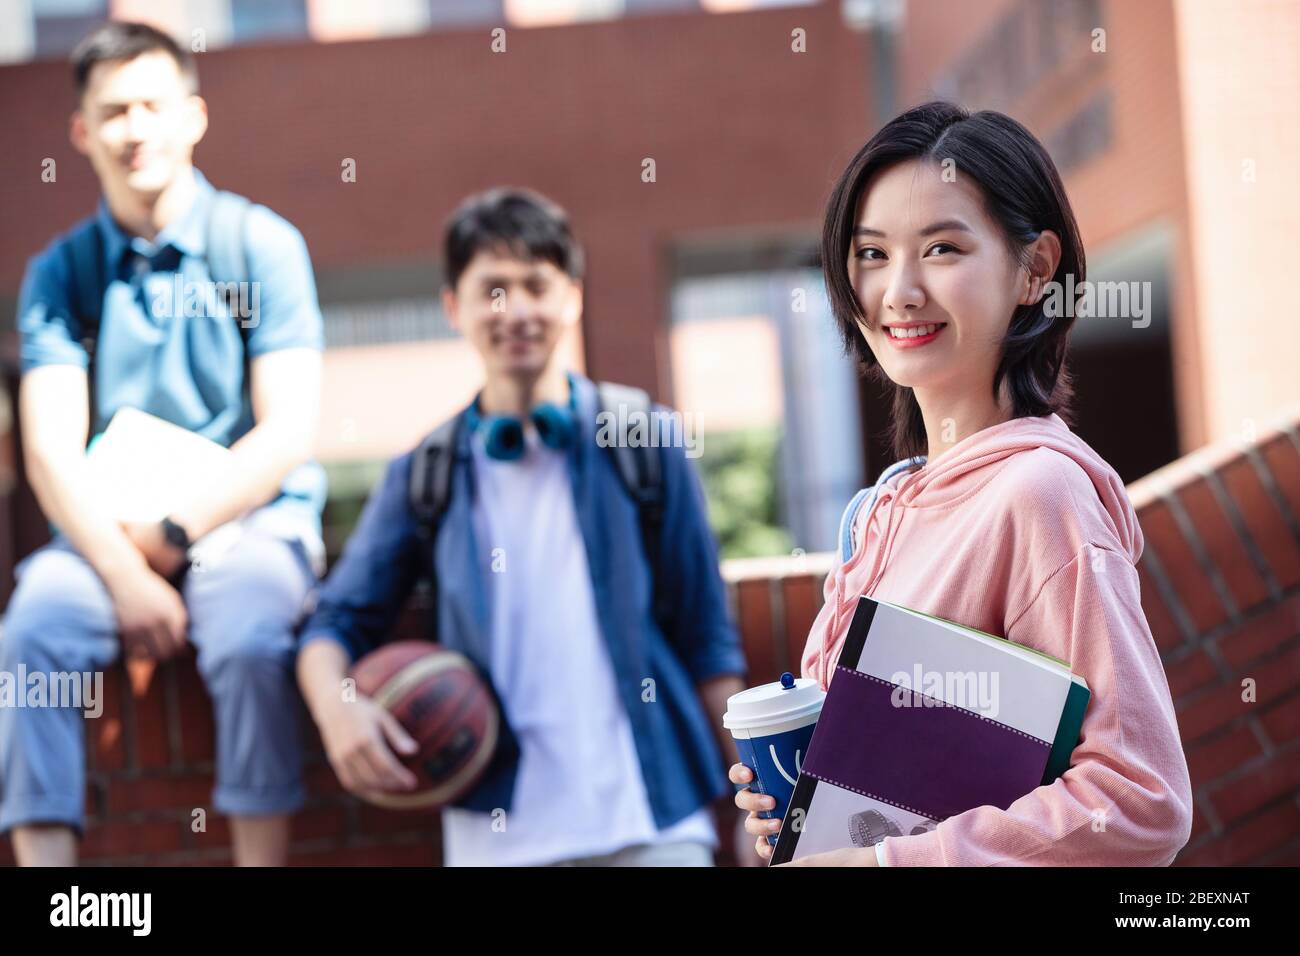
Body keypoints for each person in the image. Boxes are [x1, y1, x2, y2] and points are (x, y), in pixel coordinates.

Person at [733, 101, 1194, 866]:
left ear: (1034, 270)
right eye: (872, 253)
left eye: (942, 249)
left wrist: (886, 862)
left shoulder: (1040, 493)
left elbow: (1140, 800)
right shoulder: (883, 510)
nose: (899, 290)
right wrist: (801, 811)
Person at [297, 187, 747, 867]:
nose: (517, 311)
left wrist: (754, 798)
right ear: (454, 307)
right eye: (493, 290)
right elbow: (333, 624)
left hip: (653, 821)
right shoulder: (427, 471)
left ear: (573, 298)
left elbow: (707, 636)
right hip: (498, 838)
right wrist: (338, 713)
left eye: (537, 285)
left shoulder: (642, 438)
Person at [0, 21, 327, 866]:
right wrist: (124, 572)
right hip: (110, 536)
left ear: (194, 117)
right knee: (30, 636)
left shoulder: (259, 246)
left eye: (153, 105)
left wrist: (173, 535)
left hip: (247, 522)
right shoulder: (60, 275)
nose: (134, 129)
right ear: (81, 132)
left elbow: (288, 430)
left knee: (251, 640)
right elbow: (48, 453)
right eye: (113, 112)